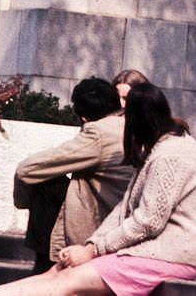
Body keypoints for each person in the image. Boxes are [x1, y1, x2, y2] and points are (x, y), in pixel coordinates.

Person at [0, 83, 196, 296]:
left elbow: (148, 222)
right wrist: (90, 245)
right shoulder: (162, 149)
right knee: (56, 273)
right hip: (153, 251)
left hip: (171, 255)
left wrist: (92, 252)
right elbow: (123, 209)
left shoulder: (171, 155)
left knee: (67, 281)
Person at [13, 78, 134, 273]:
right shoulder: (128, 125)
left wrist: (23, 202)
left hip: (103, 220)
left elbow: (26, 170)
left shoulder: (99, 132)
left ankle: (44, 267)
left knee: (46, 182)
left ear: (84, 118)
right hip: (121, 215)